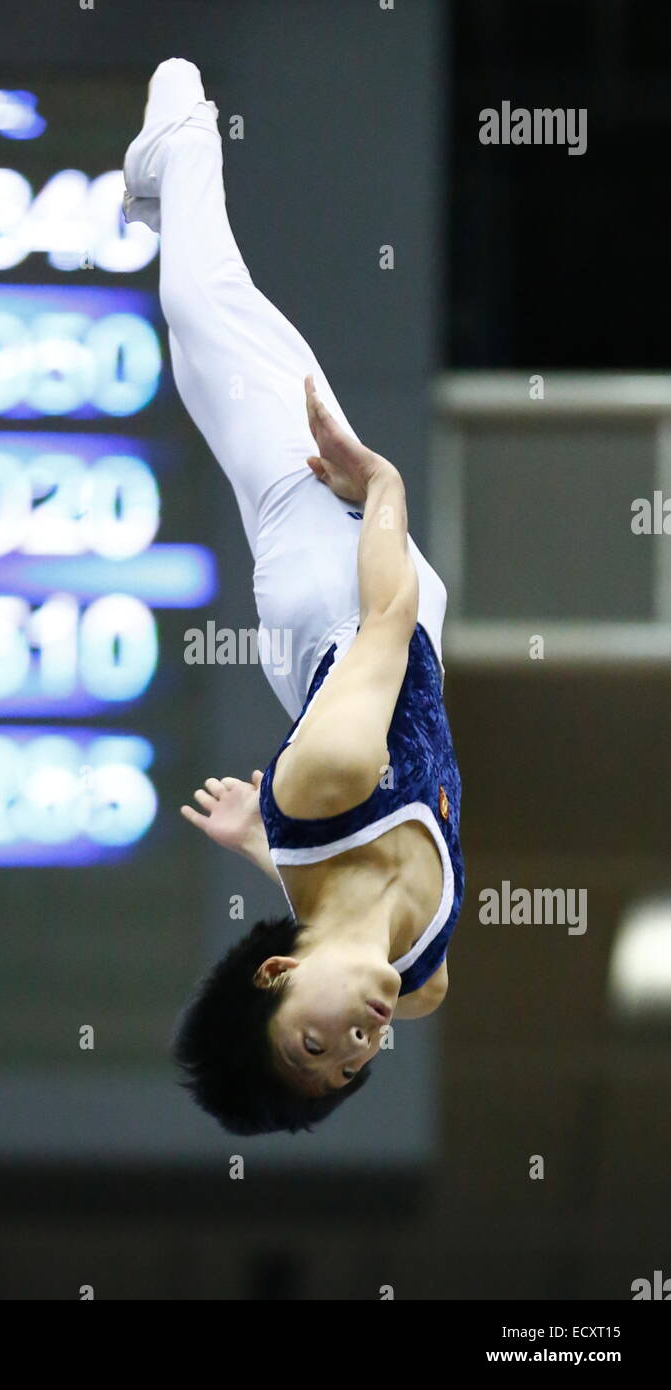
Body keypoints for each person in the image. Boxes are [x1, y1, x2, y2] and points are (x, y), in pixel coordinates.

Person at [123, 59, 464, 1135]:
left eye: (313, 1042)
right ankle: (154, 179)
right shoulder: (422, 981)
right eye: (349, 1064)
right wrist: (262, 846)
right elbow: (339, 918)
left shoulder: (319, 780)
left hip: (336, 591)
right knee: (223, 348)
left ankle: (174, 135)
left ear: (273, 972)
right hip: (393, 638)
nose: (359, 1038)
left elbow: (385, 619)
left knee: (205, 312)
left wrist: (381, 490)